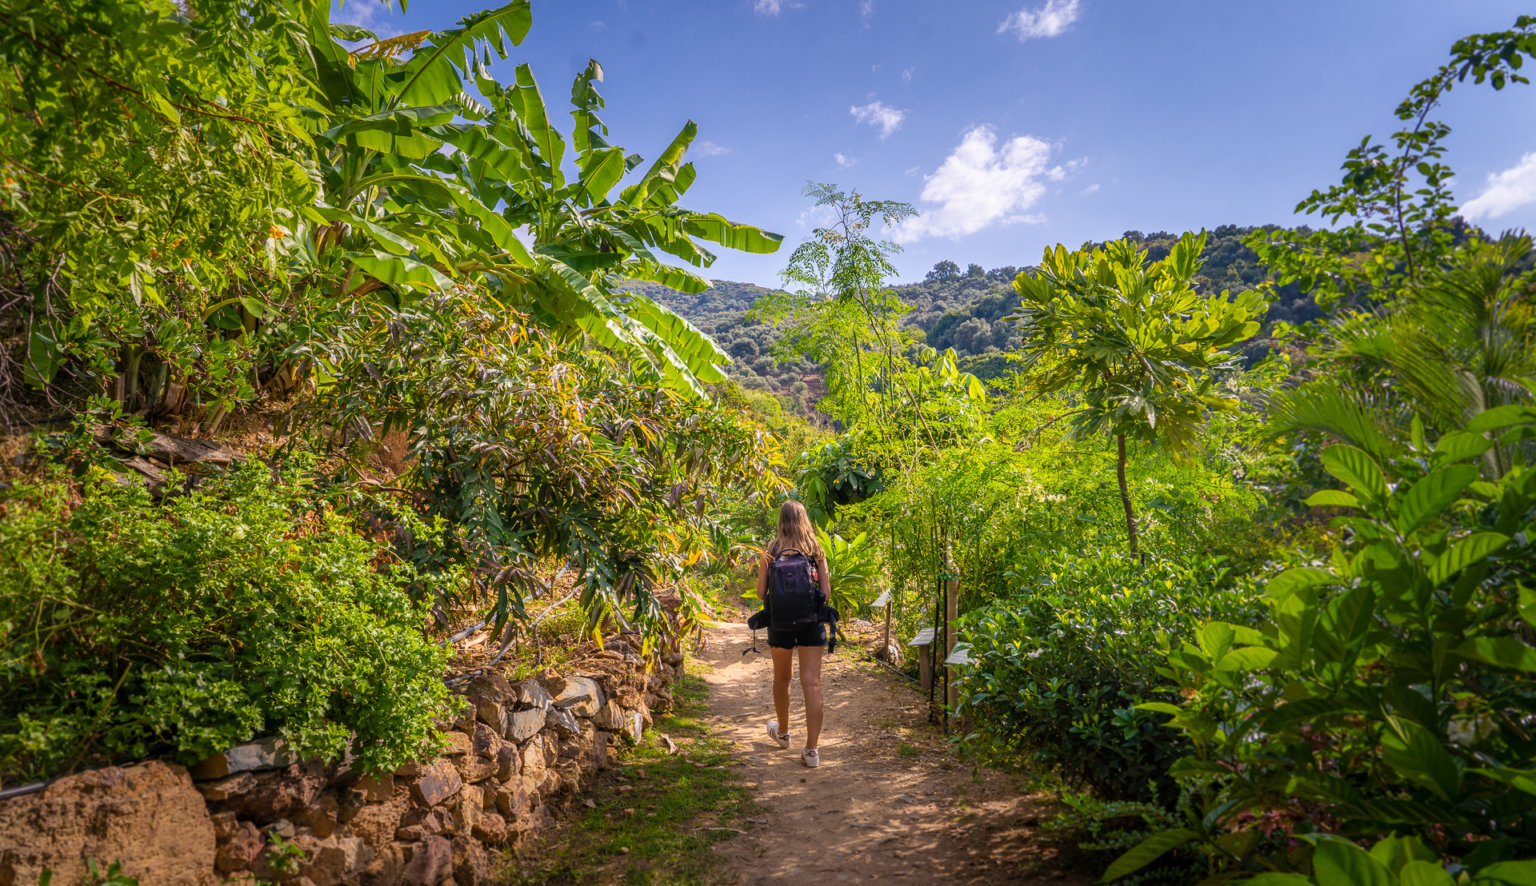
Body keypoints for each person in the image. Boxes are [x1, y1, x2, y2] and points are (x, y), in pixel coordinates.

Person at [756, 500, 830, 768]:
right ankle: (811, 751)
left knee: (782, 677)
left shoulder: (770, 550)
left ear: (781, 520)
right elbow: (827, 593)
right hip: (811, 621)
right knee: (811, 683)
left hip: (780, 623)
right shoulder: (816, 550)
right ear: (804, 520)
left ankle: (784, 733)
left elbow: (760, 593)